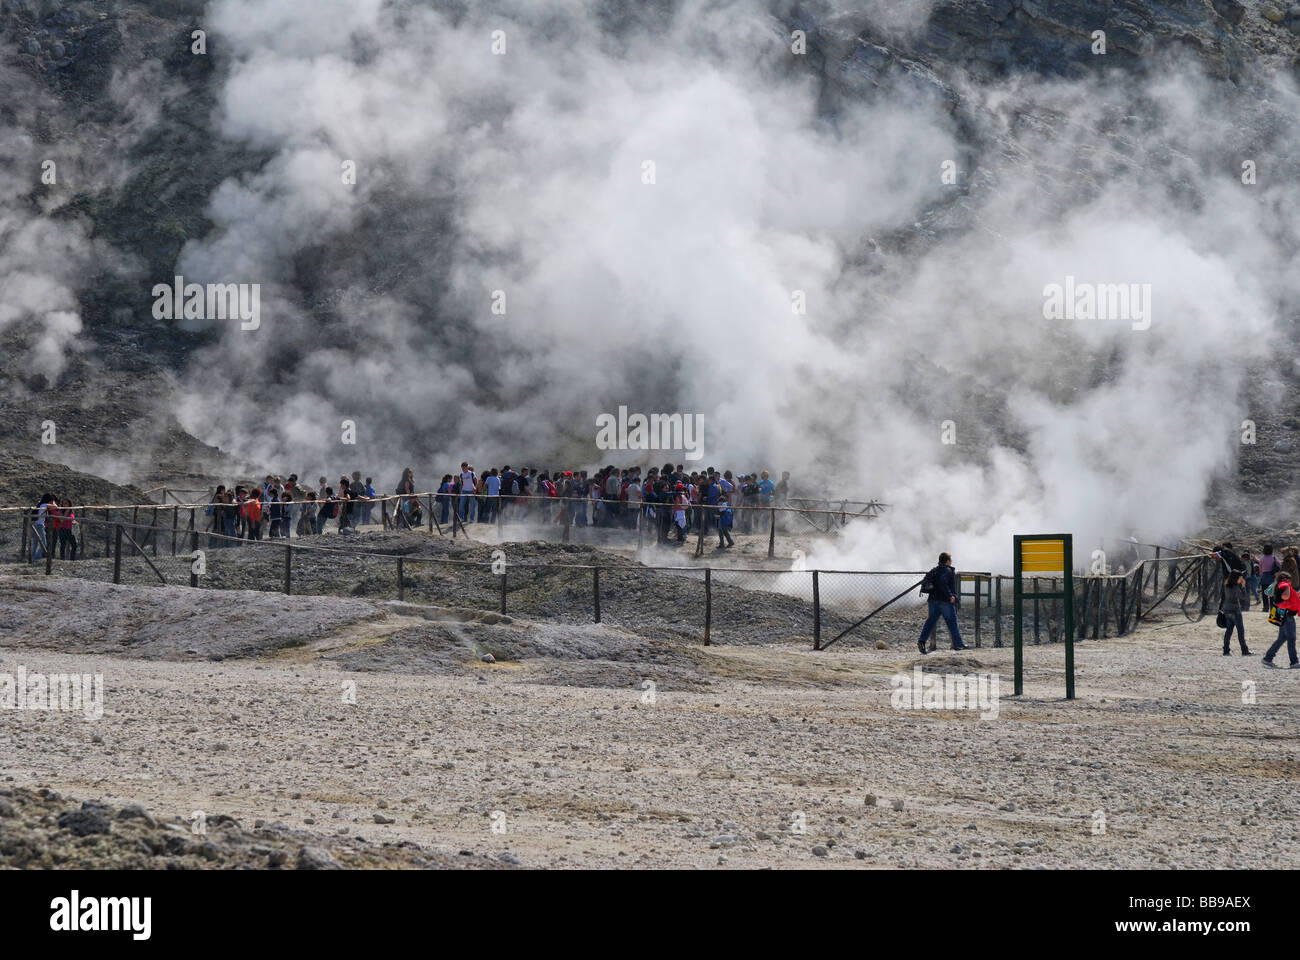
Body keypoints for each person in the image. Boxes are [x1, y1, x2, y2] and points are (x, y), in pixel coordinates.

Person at [918, 552, 967, 653]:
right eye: (950, 560)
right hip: (945, 601)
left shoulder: (934, 570)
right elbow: (943, 584)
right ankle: (958, 644)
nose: (951, 562)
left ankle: (922, 641)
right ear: (947, 561)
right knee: (952, 622)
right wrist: (951, 596)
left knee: (930, 622)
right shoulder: (947, 571)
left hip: (933, 600)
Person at [1262, 573, 1300, 668]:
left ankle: (1268, 658)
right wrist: (1288, 588)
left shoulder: (1280, 585)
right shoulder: (1285, 585)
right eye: (1289, 579)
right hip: (1287, 616)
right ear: (1286, 579)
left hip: (1284, 616)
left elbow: (1288, 597)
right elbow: (1285, 597)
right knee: (1291, 638)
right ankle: (1294, 662)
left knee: (1282, 638)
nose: (1291, 581)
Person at [1221, 572, 1251, 656]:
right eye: (1240, 578)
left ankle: (1226, 650)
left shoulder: (1226, 585)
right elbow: (1243, 597)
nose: (1241, 579)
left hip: (1227, 610)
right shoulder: (1235, 587)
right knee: (1240, 631)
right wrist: (1244, 586)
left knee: (1229, 631)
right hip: (1235, 611)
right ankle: (1244, 650)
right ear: (1236, 578)